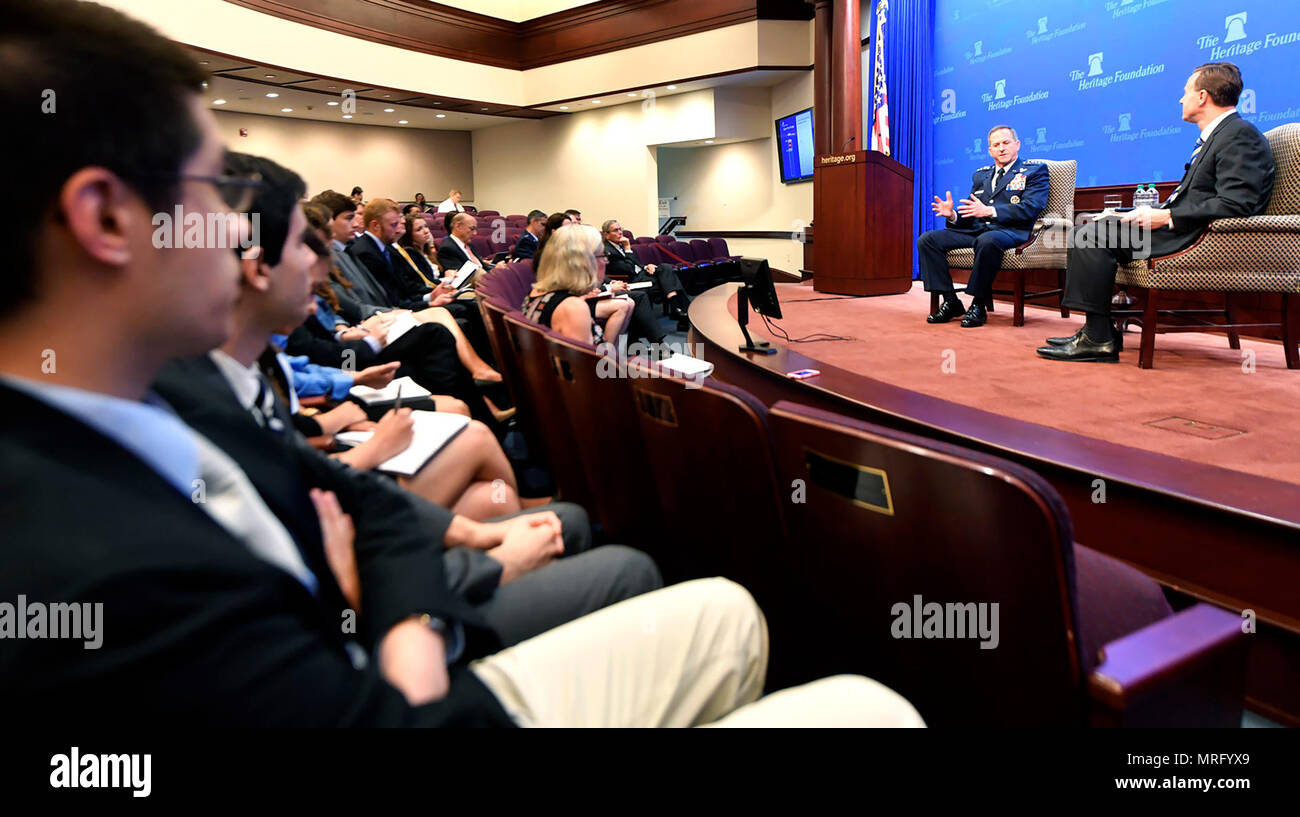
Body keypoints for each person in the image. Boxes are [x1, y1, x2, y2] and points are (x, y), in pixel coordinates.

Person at [2, 4, 925, 727]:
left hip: (392, 671)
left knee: (725, 611)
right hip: (425, 706)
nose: (243, 240)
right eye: (217, 191)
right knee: (873, 709)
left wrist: (378, 595)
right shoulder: (75, 560)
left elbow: (368, 512)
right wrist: (396, 628)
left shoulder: (170, 384)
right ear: (109, 218)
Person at [1038, 62, 1275, 362]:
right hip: (1181, 228)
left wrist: (1168, 217)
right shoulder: (1220, 136)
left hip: (1195, 237)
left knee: (1090, 235)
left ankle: (1098, 338)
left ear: (1202, 96)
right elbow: (1197, 196)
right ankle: (1098, 331)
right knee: (1092, 225)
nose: (1180, 99)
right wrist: (1127, 214)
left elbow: (1238, 203)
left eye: (1185, 91)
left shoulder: (1240, 135)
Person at [917, 125, 1049, 327]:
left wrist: (990, 211)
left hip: (1011, 232)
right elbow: (973, 212)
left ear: (1017, 145)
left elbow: (1031, 208)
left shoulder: (1034, 171)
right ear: (990, 150)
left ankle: (978, 304)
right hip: (978, 231)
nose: (1001, 148)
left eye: (1006, 143)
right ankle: (951, 301)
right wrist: (952, 215)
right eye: (996, 145)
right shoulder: (981, 175)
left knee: (988, 240)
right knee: (928, 240)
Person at [524, 224, 633, 345]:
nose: (606, 261)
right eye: (603, 256)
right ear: (583, 262)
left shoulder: (537, 293)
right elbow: (591, 364)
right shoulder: (573, 308)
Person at [601, 218, 690, 322]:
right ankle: (680, 309)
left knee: (665, 268)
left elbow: (634, 263)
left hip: (642, 273)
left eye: (620, 229)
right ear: (606, 234)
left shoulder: (619, 245)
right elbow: (628, 269)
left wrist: (646, 266)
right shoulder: (607, 250)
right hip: (631, 279)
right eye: (616, 230)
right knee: (670, 280)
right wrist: (628, 248)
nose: (620, 233)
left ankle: (676, 309)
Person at [437, 212, 500, 276]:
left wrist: (497, 269)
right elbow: (464, 277)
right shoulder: (447, 249)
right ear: (458, 226)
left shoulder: (469, 245)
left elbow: (484, 267)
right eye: (472, 229)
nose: (475, 233)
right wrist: (495, 272)